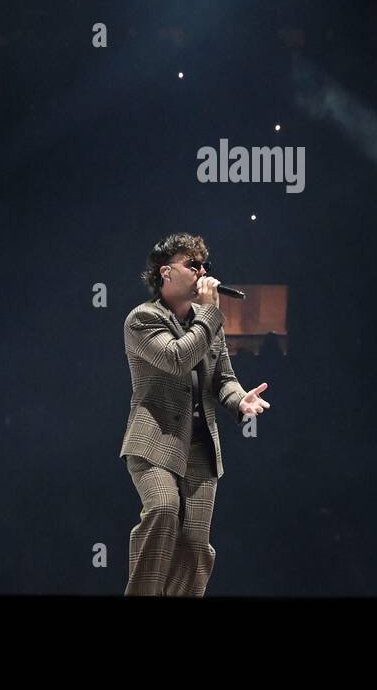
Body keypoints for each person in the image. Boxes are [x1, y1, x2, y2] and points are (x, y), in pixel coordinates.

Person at [119, 233, 270, 596]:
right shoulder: (142, 319)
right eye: (192, 265)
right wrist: (211, 313)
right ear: (165, 273)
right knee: (163, 511)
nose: (202, 271)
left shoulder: (207, 324)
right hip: (154, 443)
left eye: (205, 265)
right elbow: (176, 358)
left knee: (194, 548)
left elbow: (224, 379)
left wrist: (239, 400)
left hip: (200, 450)